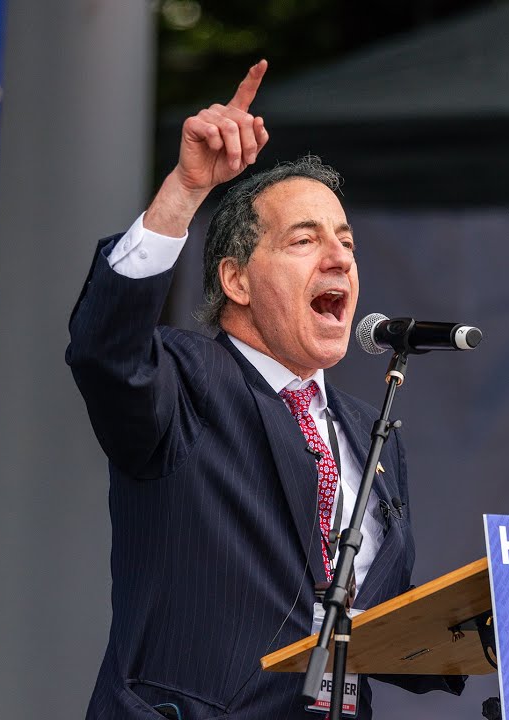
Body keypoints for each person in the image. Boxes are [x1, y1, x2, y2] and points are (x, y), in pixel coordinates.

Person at [65, 59, 466, 720]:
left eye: (346, 241)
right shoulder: (184, 381)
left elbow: (379, 621)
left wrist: (505, 623)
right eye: (305, 240)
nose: (338, 257)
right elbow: (104, 350)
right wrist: (186, 189)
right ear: (237, 281)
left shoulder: (372, 433)